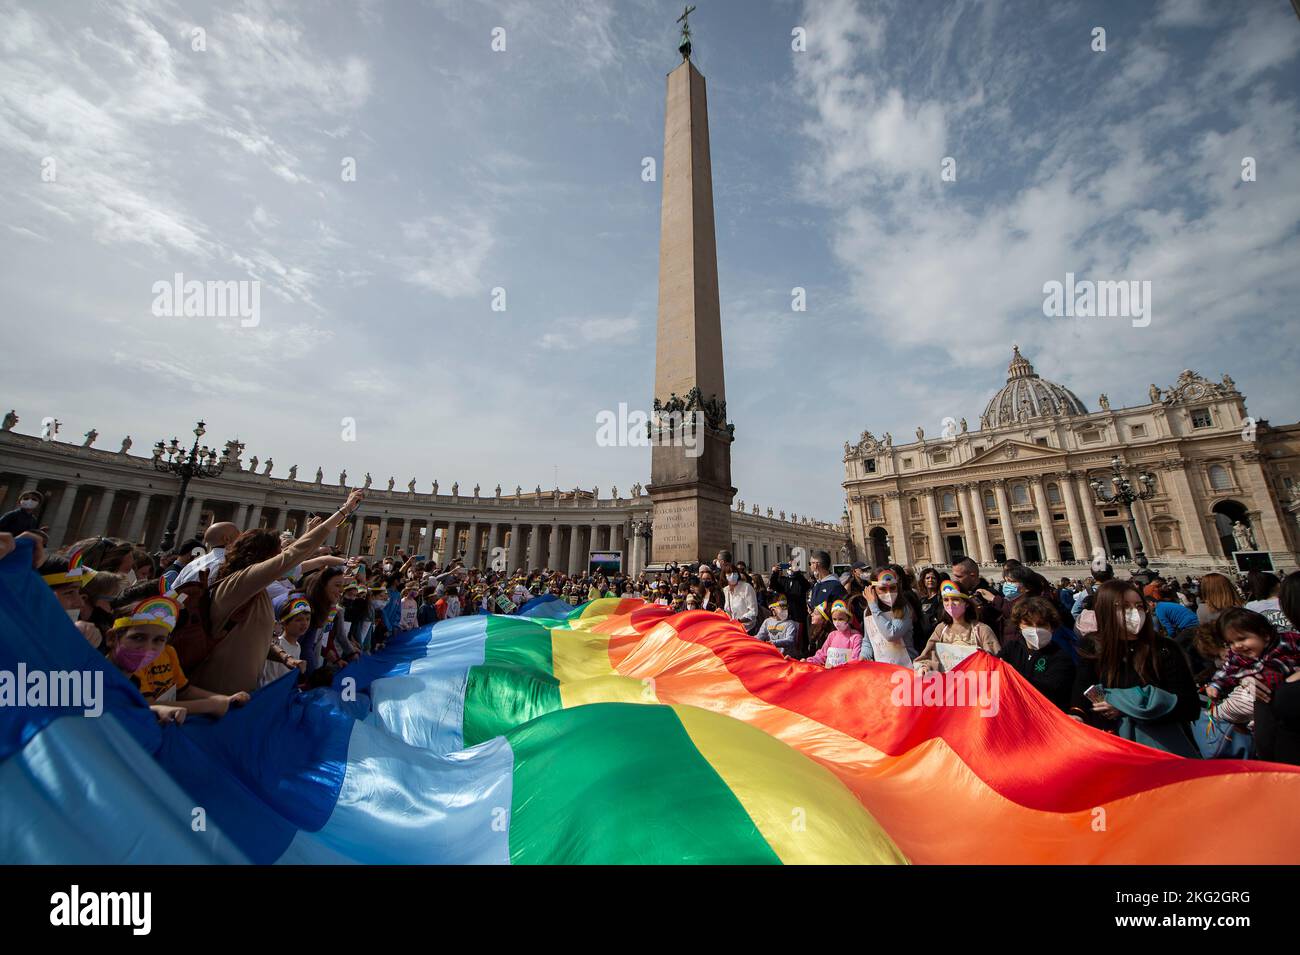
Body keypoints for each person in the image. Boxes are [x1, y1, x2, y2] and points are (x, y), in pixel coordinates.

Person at [190, 489, 364, 695]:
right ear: (262, 557)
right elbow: (296, 553)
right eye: (276, 555)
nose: (280, 560)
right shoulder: (240, 582)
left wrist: (284, 656)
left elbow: (254, 635)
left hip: (246, 690)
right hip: (221, 689)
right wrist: (344, 511)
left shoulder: (255, 589)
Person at [1070, 579, 1200, 756]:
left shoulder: (1163, 648)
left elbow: (1189, 705)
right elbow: (1086, 686)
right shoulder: (1092, 646)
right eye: (1124, 607)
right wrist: (1087, 711)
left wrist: (1124, 705)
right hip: (1112, 742)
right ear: (1105, 611)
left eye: (1139, 606)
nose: (1135, 613)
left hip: (1159, 744)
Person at [105, 595, 250, 722]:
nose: (148, 648)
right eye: (138, 638)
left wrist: (224, 700)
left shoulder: (134, 677)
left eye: (159, 640)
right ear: (112, 638)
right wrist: (210, 705)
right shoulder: (98, 677)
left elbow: (183, 690)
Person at [999, 597, 1076, 711]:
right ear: (1019, 626)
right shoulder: (1012, 648)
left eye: (1041, 624)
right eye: (1028, 624)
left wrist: (1010, 674)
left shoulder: (1061, 657)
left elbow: (1050, 691)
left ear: (1052, 627)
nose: (1035, 629)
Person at [914, 581, 999, 672]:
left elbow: (996, 662)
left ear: (966, 603)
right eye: (946, 600)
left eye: (955, 599)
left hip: (975, 682)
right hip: (947, 683)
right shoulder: (941, 629)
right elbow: (927, 656)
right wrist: (925, 667)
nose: (950, 604)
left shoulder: (981, 630)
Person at [858, 567, 916, 665]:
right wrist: (863, 656)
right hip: (883, 668)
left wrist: (873, 607)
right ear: (873, 590)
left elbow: (891, 634)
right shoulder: (868, 612)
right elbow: (868, 641)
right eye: (883, 589)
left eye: (892, 588)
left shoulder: (904, 609)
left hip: (906, 666)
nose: (888, 593)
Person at [261, 595, 310, 688]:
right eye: (298, 620)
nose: (305, 623)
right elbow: (270, 680)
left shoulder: (297, 646)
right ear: (284, 623)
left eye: (307, 619)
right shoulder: (278, 645)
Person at [768, 561, 812, 657]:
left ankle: (802, 654)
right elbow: (773, 585)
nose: (790, 569)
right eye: (788, 567)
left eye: (791, 567)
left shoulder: (800, 580)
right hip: (785, 615)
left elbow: (806, 586)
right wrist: (775, 573)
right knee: (786, 638)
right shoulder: (783, 580)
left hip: (799, 615)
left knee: (799, 640)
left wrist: (797, 572)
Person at [805, 599, 861, 668]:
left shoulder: (856, 637)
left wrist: (839, 668)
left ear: (849, 619)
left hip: (845, 675)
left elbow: (855, 660)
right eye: (834, 619)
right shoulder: (832, 635)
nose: (837, 623)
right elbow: (822, 655)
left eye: (841, 619)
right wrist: (808, 661)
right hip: (829, 674)